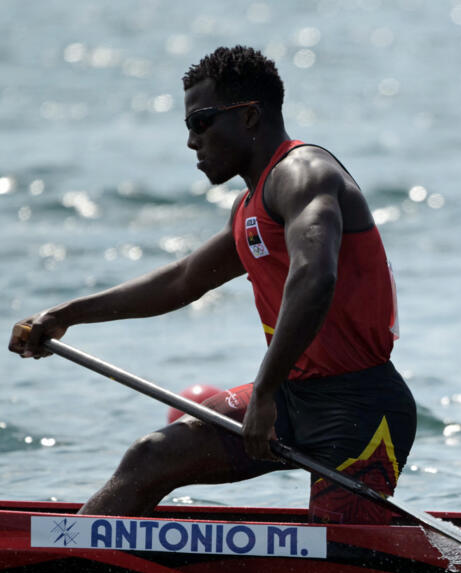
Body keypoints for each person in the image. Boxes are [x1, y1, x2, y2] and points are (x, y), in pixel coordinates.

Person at [9, 46, 416, 525]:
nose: (190, 142)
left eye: (200, 122)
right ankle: (71, 557)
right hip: (292, 395)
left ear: (249, 116)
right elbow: (182, 280)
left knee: (340, 561)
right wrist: (66, 315)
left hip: (360, 410)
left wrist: (263, 393)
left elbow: (314, 277)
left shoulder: (305, 175)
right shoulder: (249, 207)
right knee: (151, 456)